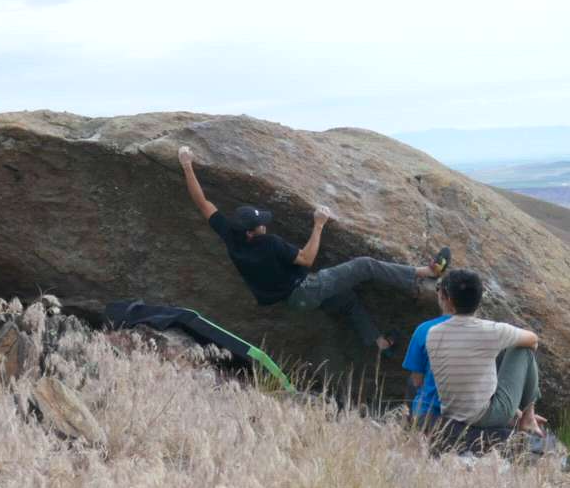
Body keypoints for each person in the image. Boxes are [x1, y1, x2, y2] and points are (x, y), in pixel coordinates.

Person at [177, 145, 451, 354]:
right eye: (261, 224)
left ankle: (379, 343)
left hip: (295, 303)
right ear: (251, 232)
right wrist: (319, 224)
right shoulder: (269, 244)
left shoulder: (230, 235)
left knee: (347, 301)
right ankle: (424, 273)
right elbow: (306, 259)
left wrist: (186, 165)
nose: (265, 226)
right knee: (364, 265)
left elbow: (202, 202)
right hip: (306, 289)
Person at [425, 268, 546, 435]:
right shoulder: (491, 331)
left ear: (448, 300)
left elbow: (470, 378)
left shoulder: (433, 333)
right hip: (483, 416)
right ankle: (528, 416)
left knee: (492, 354)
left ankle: (522, 416)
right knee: (522, 350)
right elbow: (533, 339)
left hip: (452, 412)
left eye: (439, 291)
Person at [403, 312, 451, 427]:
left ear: (443, 297)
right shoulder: (485, 333)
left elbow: (417, 381)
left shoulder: (425, 329)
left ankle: (406, 430)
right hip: (469, 416)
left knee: (412, 382)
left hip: (428, 414)